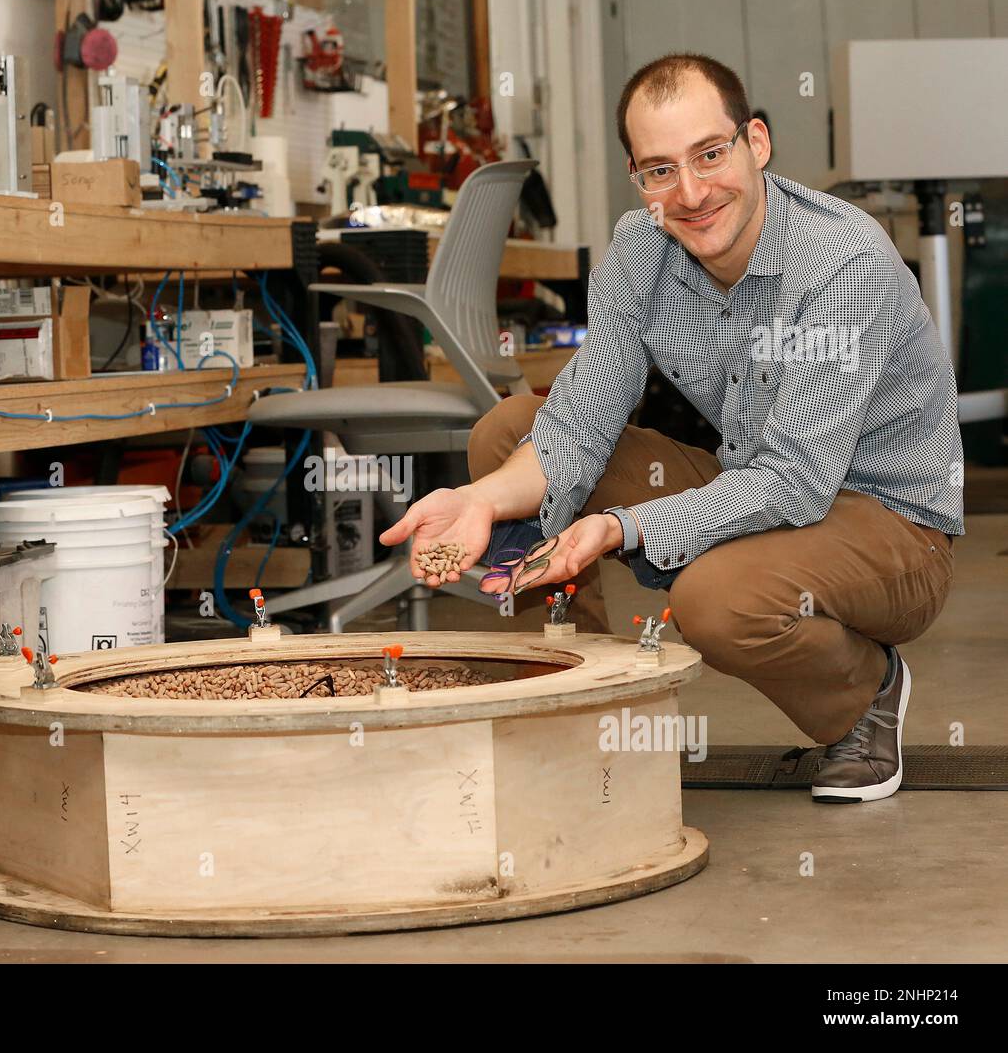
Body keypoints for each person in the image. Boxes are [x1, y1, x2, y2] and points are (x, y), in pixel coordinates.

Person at [380, 54, 963, 804]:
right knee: (509, 433)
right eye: (659, 171)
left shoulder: (841, 264)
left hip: (891, 528)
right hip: (757, 479)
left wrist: (621, 526)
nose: (689, 194)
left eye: (710, 155)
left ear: (756, 142)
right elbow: (581, 418)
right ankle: (577, 705)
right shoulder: (641, 250)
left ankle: (865, 697)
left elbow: (796, 482)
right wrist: (484, 500)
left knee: (715, 600)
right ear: (636, 176)